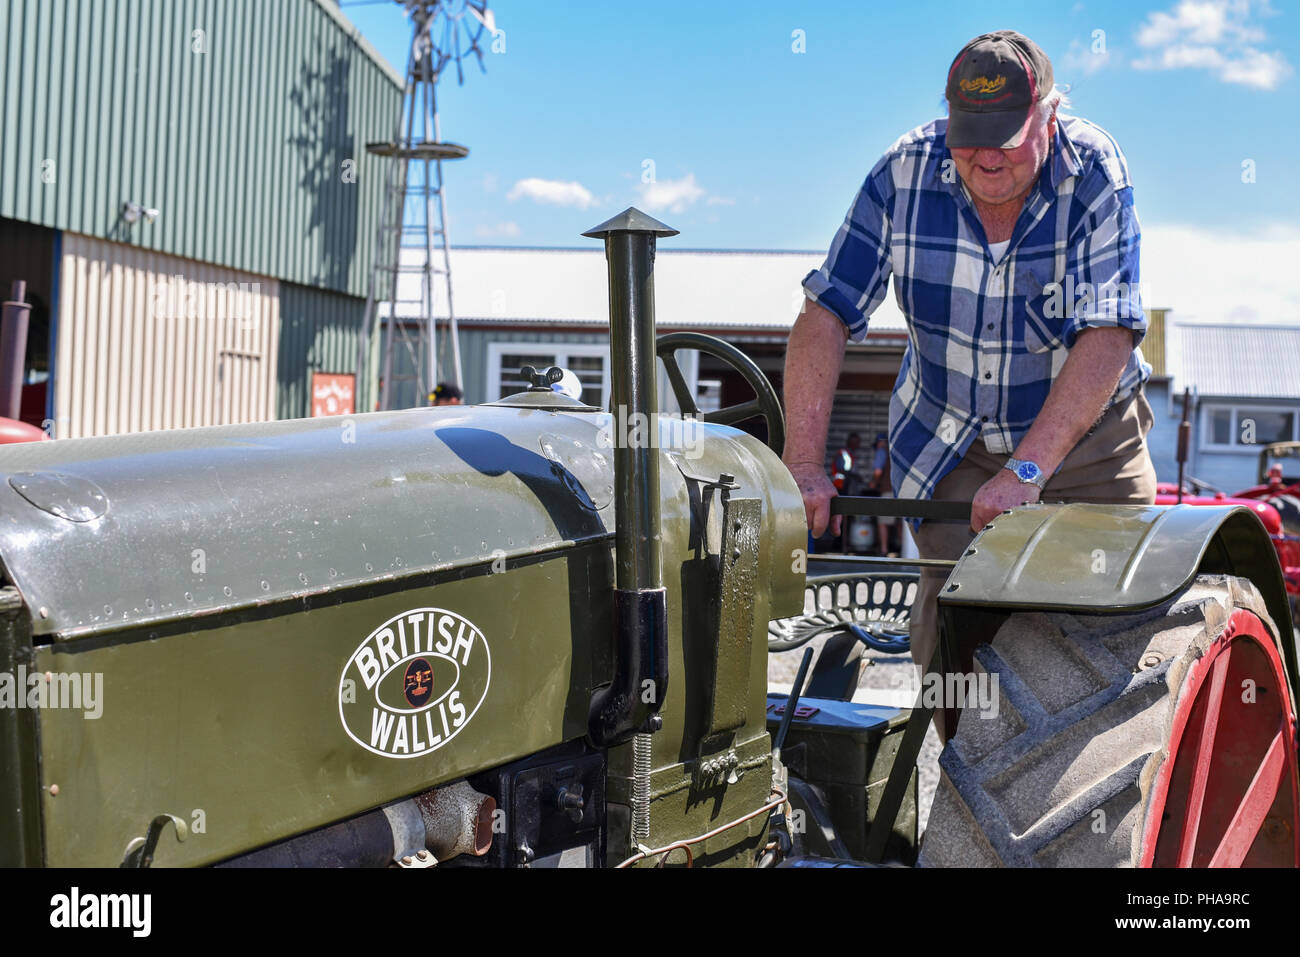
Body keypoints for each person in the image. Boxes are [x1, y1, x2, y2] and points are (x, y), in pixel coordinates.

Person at [781, 30, 1156, 736]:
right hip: (950, 446)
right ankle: (966, 801)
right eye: (970, 135)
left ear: (1050, 115)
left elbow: (1107, 332)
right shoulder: (904, 170)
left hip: (1090, 446)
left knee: (1122, 653)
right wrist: (803, 463)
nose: (986, 156)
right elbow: (827, 309)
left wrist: (1027, 469)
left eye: (1008, 137)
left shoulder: (1095, 171)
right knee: (959, 667)